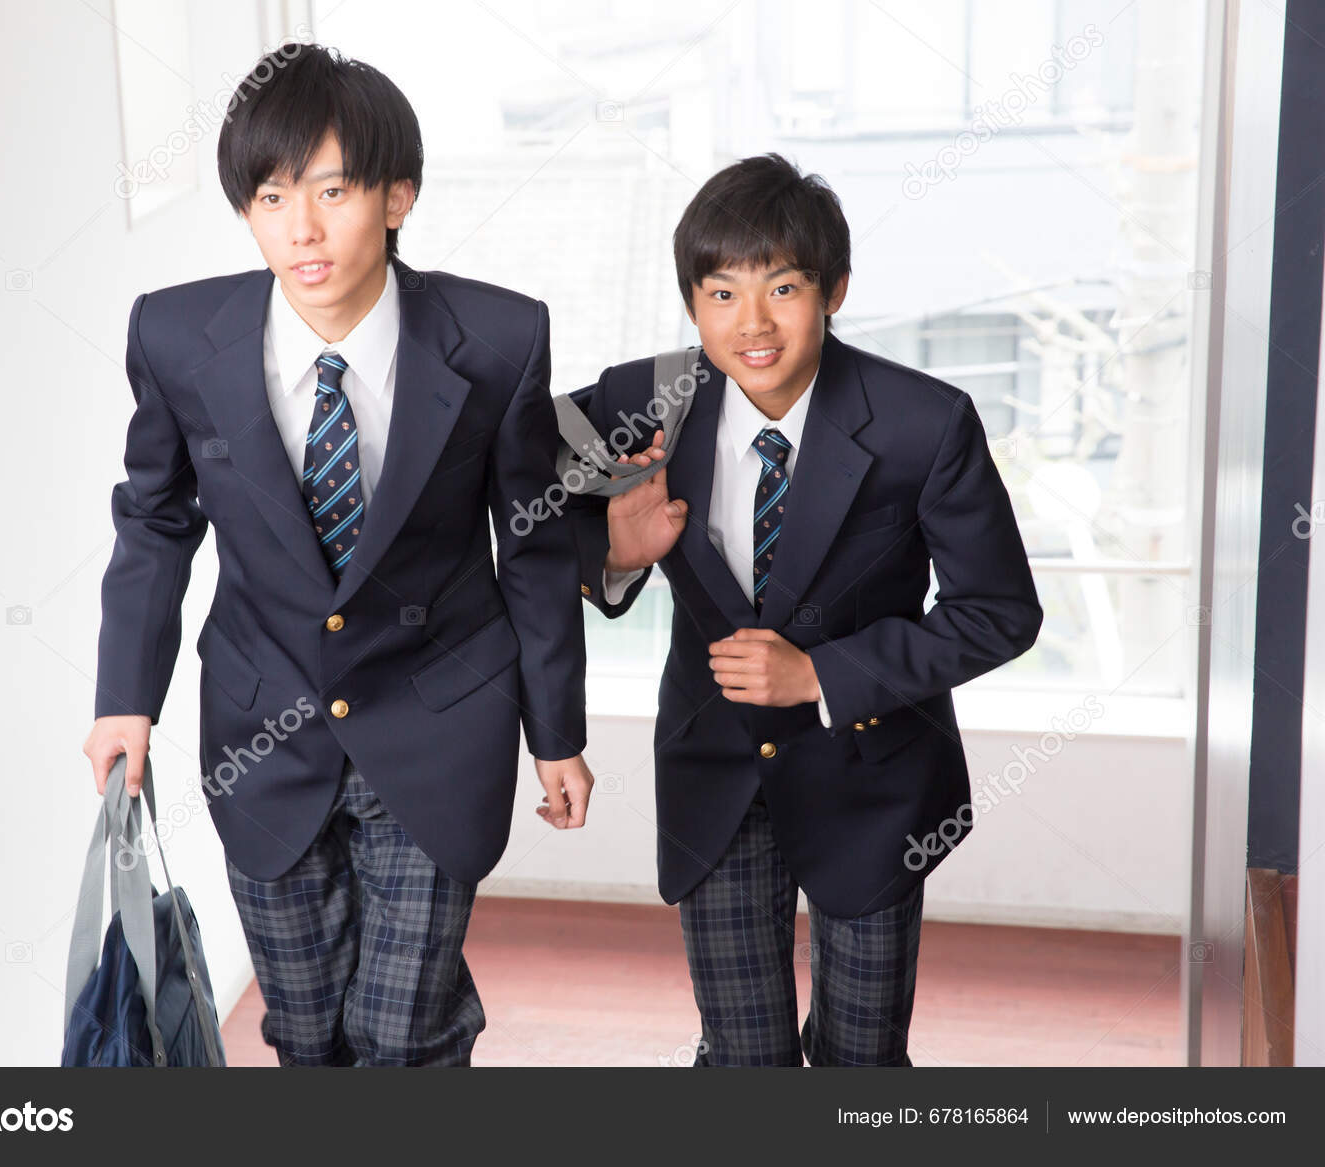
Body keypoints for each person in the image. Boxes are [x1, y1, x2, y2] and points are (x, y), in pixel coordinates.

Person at [83, 43, 595, 1067]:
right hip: (263, 730)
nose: (300, 228)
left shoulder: (497, 337)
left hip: (442, 720)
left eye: (333, 191)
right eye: (270, 197)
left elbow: (532, 547)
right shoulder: (178, 336)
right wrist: (123, 697)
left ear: (398, 196)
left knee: (403, 1032)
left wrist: (557, 731)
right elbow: (154, 520)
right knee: (306, 1035)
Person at [565, 153, 1043, 1066]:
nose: (752, 323)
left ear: (834, 291)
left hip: (874, 779)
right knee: (744, 1060)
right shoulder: (642, 396)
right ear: (692, 302)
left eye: (782, 288)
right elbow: (514, 492)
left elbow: (998, 610)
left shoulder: (923, 422)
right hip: (718, 774)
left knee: (862, 1061)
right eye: (720, 292)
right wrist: (617, 554)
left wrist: (824, 673)